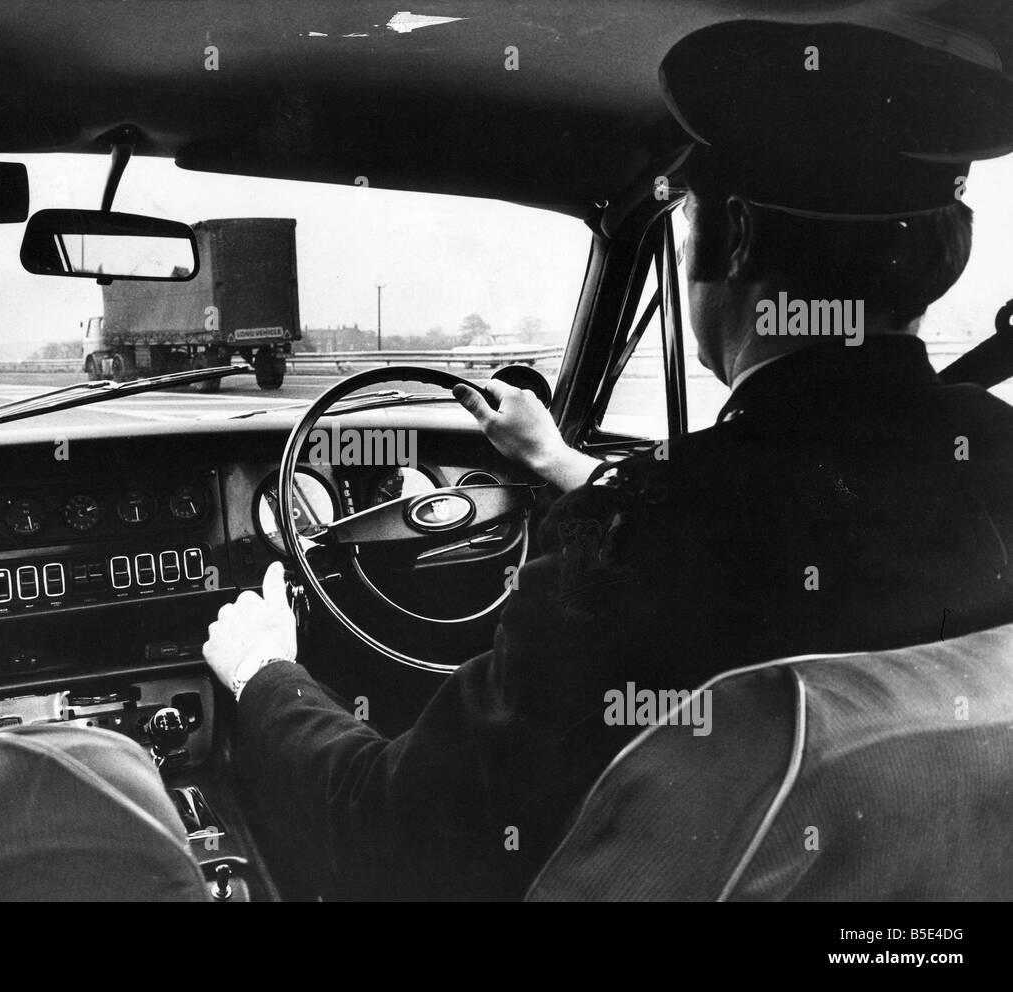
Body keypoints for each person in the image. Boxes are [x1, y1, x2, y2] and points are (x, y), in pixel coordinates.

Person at [203, 21, 1013, 900]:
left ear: (733, 238)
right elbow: (780, 525)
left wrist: (264, 674)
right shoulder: (992, 458)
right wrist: (561, 463)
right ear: (945, 251)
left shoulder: (648, 541)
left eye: (688, 217)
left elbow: (394, 841)